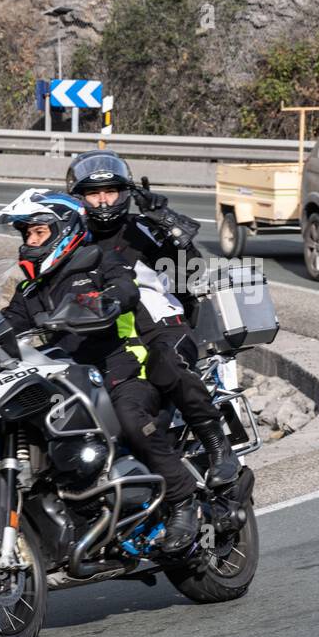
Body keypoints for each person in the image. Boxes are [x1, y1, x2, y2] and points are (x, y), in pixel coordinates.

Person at [0, 189, 202, 551]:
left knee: (130, 415)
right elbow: (5, 325)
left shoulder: (99, 261)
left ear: (62, 230)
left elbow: (124, 287)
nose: (29, 241)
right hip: (69, 374)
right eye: (26, 234)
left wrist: (110, 300)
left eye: (37, 232)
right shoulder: (30, 290)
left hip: (122, 363)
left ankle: (183, 500)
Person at [65, 151, 241, 488]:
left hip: (160, 325)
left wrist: (166, 220)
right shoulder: (72, 238)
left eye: (111, 191)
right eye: (93, 193)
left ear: (125, 193)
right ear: (79, 196)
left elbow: (191, 272)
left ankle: (217, 445)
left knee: (168, 362)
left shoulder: (143, 228)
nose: (103, 201)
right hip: (101, 334)